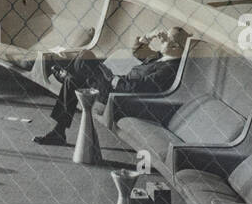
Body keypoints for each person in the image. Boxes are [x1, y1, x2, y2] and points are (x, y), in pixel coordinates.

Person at [33, 27, 190, 146]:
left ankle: (65, 74)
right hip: (114, 86)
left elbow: (142, 86)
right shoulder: (159, 57)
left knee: (85, 57)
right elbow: (137, 50)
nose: (161, 40)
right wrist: (150, 36)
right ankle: (58, 130)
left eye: (166, 39)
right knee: (74, 78)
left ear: (176, 46)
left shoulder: (169, 68)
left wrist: (113, 79)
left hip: (121, 95)